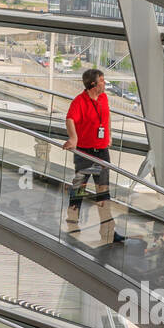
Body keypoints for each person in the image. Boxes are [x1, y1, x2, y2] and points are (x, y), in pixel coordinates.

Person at [61, 68, 123, 243]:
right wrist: (74, 138)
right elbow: (70, 119)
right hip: (84, 152)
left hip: (102, 152)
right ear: (93, 84)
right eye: (102, 80)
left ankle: (108, 231)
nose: (105, 83)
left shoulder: (103, 98)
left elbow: (107, 116)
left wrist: (109, 135)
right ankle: (72, 224)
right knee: (79, 189)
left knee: (103, 192)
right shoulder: (79, 101)